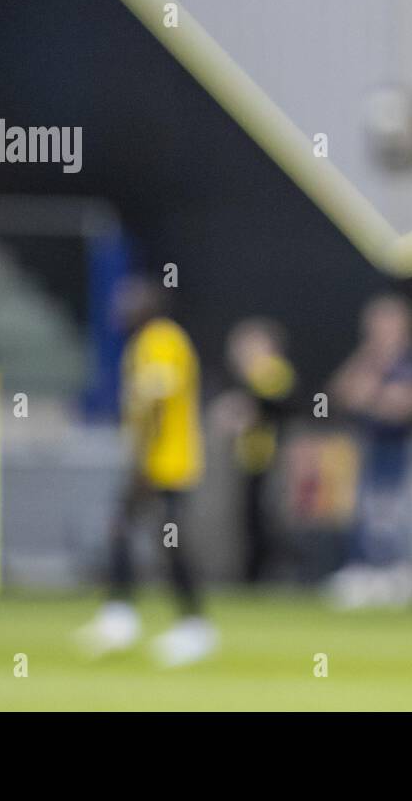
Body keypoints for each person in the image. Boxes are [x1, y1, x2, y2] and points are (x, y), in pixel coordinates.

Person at [75, 276, 217, 667]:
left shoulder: (161, 341)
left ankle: (191, 626)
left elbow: (156, 404)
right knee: (126, 530)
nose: (120, 307)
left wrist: (142, 463)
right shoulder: (146, 342)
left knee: (168, 541)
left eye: (129, 300)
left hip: (166, 463)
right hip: (157, 460)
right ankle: (122, 615)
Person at [324, 293, 412, 609]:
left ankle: (394, 572)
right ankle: (362, 570)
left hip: (396, 447)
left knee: (393, 511)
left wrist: (373, 396)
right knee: (362, 508)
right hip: (367, 444)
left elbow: (405, 404)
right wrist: (370, 378)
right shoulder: (368, 356)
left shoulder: (411, 358)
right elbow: (342, 393)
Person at [209, 317, 297, 581]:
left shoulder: (272, 371)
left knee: (265, 522)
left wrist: (240, 411)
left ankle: (268, 578)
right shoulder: (252, 377)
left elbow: (270, 406)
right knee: (249, 522)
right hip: (251, 460)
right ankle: (253, 577)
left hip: (271, 460)